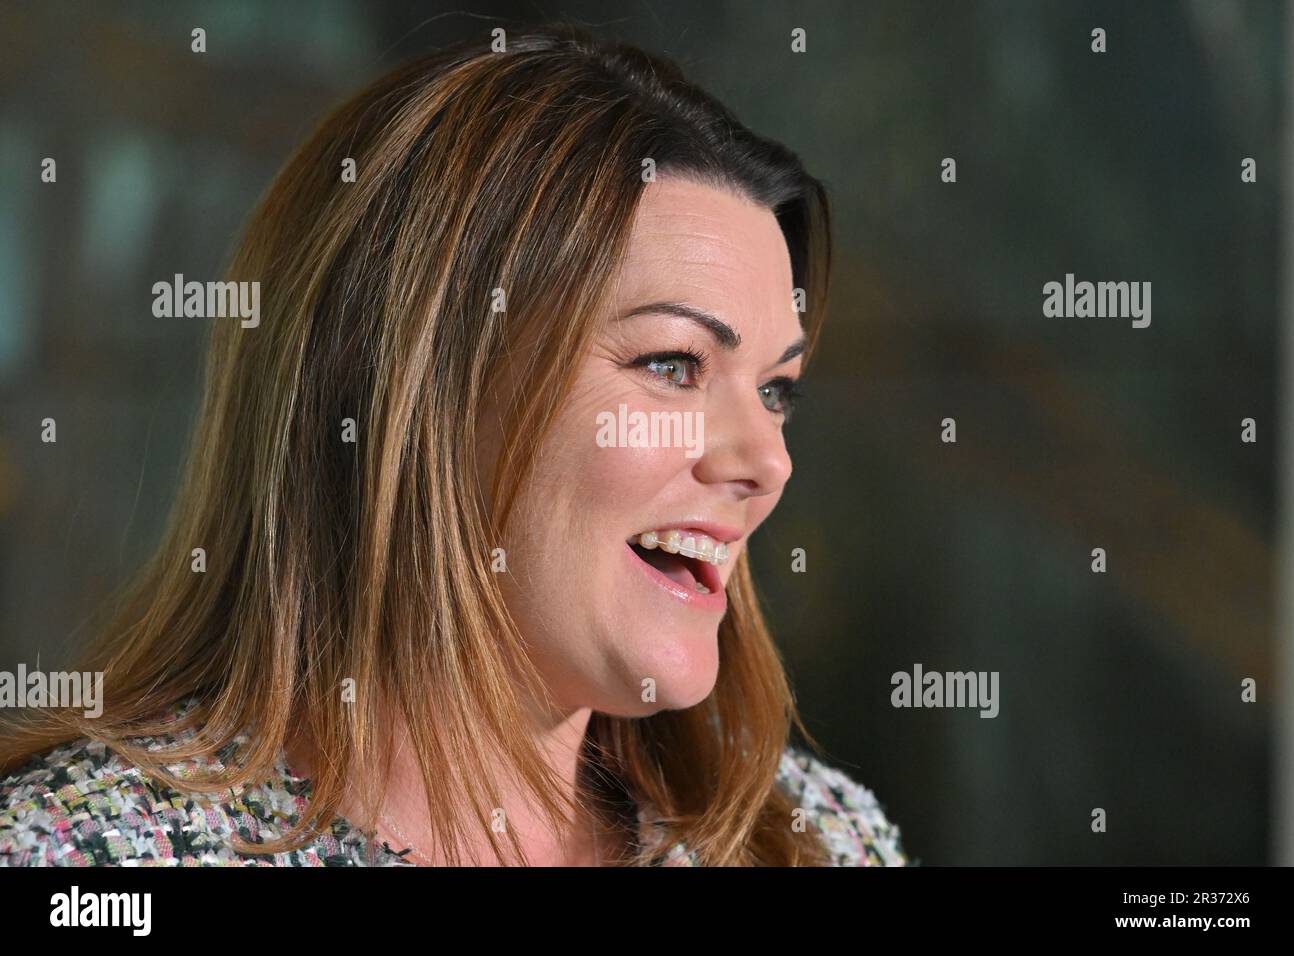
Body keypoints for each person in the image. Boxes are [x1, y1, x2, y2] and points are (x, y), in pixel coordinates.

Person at [0, 23, 907, 867]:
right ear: (417, 384)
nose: (767, 462)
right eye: (673, 364)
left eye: (776, 390)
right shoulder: (86, 854)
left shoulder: (817, 839)